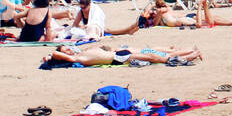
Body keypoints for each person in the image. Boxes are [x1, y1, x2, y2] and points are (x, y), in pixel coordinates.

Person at [41, 43, 202, 67]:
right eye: (65, 50)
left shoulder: (82, 52)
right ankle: (192, 55)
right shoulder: (75, 58)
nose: (69, 49)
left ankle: (191, 52)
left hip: (119, 53)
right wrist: (50, 57)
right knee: (158, 58)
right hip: (118, 58)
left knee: (155, 53)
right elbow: (56, 54)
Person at [71, 0, 138, 38]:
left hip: (95, 28)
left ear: (89, 5)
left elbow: (96, 22)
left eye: (84, 8)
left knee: (108, 30)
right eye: (81, 8)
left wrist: (85, 26)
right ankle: (128, 30)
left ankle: (130, 29)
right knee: (108, 30)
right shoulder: (81, 12)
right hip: (88, 28)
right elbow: (75, 23)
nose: (83, 9)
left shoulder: (95, 9)